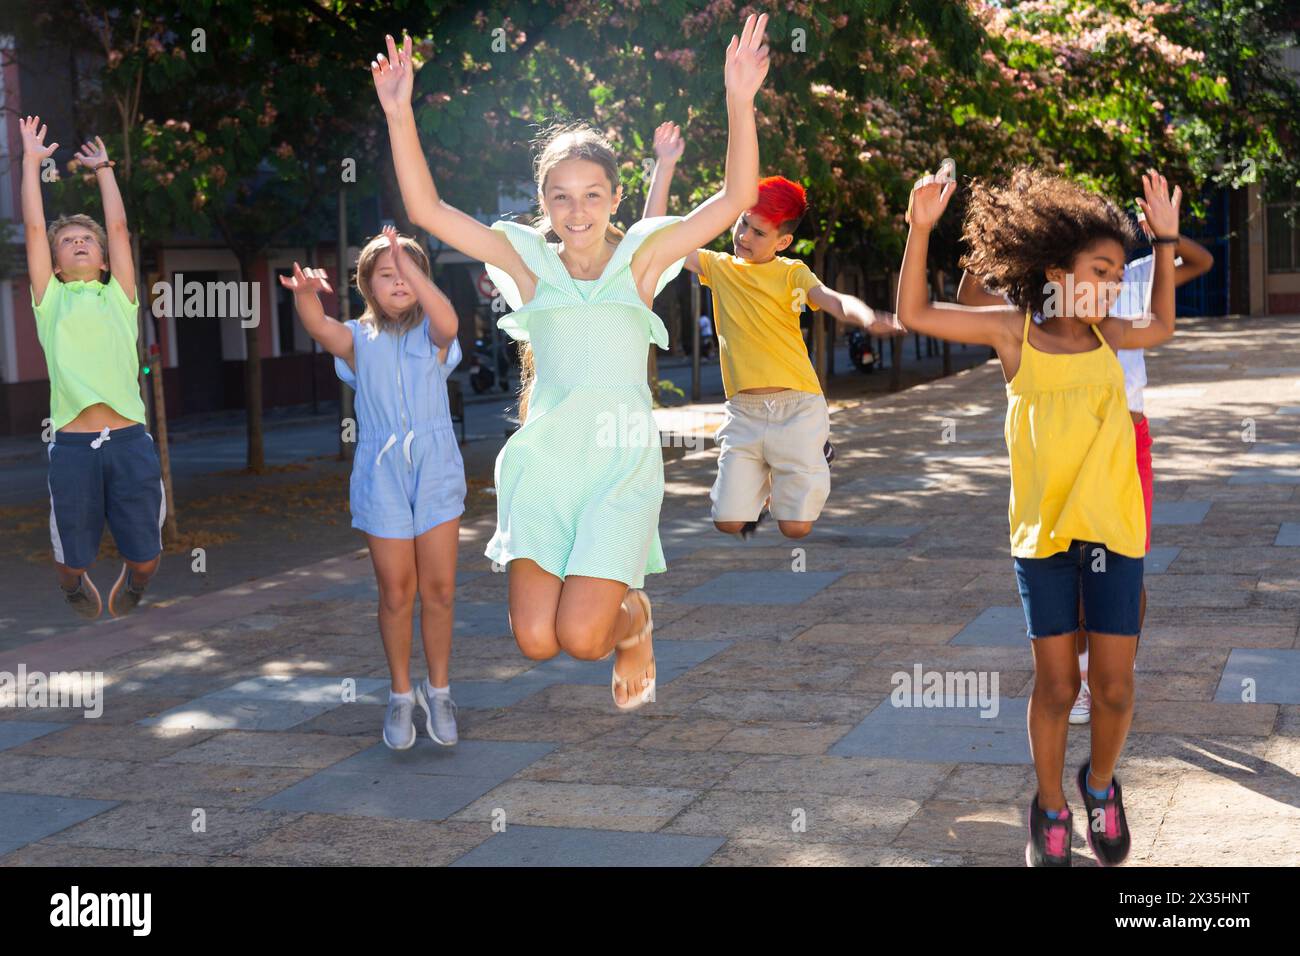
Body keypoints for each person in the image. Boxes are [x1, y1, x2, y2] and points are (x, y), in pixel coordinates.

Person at [370, 14, 772, 710]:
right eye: (560, 196)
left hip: (619, 468)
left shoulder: (642, 256)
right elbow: (427, 209)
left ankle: (632, 619)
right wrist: (400, 113)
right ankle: (616, 614)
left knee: (585, 638)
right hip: (546, 467)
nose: (576, 210)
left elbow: (736, 200)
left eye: (592, 195)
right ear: (544, 203)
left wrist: (740, 100)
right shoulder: (526, 263)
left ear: (616, 196)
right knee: (535, 638)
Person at [898, 163, 1183, 866]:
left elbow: (1165, 324)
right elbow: (915, 315)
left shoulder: (1112, 335)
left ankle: (1102, 785)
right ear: (1058, 268)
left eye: (1121, 273)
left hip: (1113, 530)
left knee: (1113, 687)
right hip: (1043, 538)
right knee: (1058, 685)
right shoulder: (1012, 332)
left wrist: (1167, 244)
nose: (1115, 285)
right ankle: (1050, 805)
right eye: (1103, 268)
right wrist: (919, 230)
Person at [280, 226, 465, 749]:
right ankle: (402, 695)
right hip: (381, 471)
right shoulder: (358, 340)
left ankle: (441, 690)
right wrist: (306, 296)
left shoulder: (434, 332)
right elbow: (319, 327)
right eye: (386, 274)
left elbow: (448, 320)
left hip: (435, 467)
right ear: (368, 286)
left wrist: (410, 265)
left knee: (441, 589)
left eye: (408, 272)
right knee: (396, 590)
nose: (399, 281)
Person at [22, 118, 163, 620]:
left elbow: (120, 229)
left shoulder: (120, 297)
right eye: (69, 241)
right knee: (70, 560)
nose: (79, 242)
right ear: (56, 265)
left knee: (146, 558)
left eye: (88, 239)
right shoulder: (51, 300)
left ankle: (136, 583)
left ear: (104, 260)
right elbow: (35, 228)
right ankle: (72, 586)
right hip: (75, 449)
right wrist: (31, 163)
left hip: (129, 442)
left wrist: (103, 168)